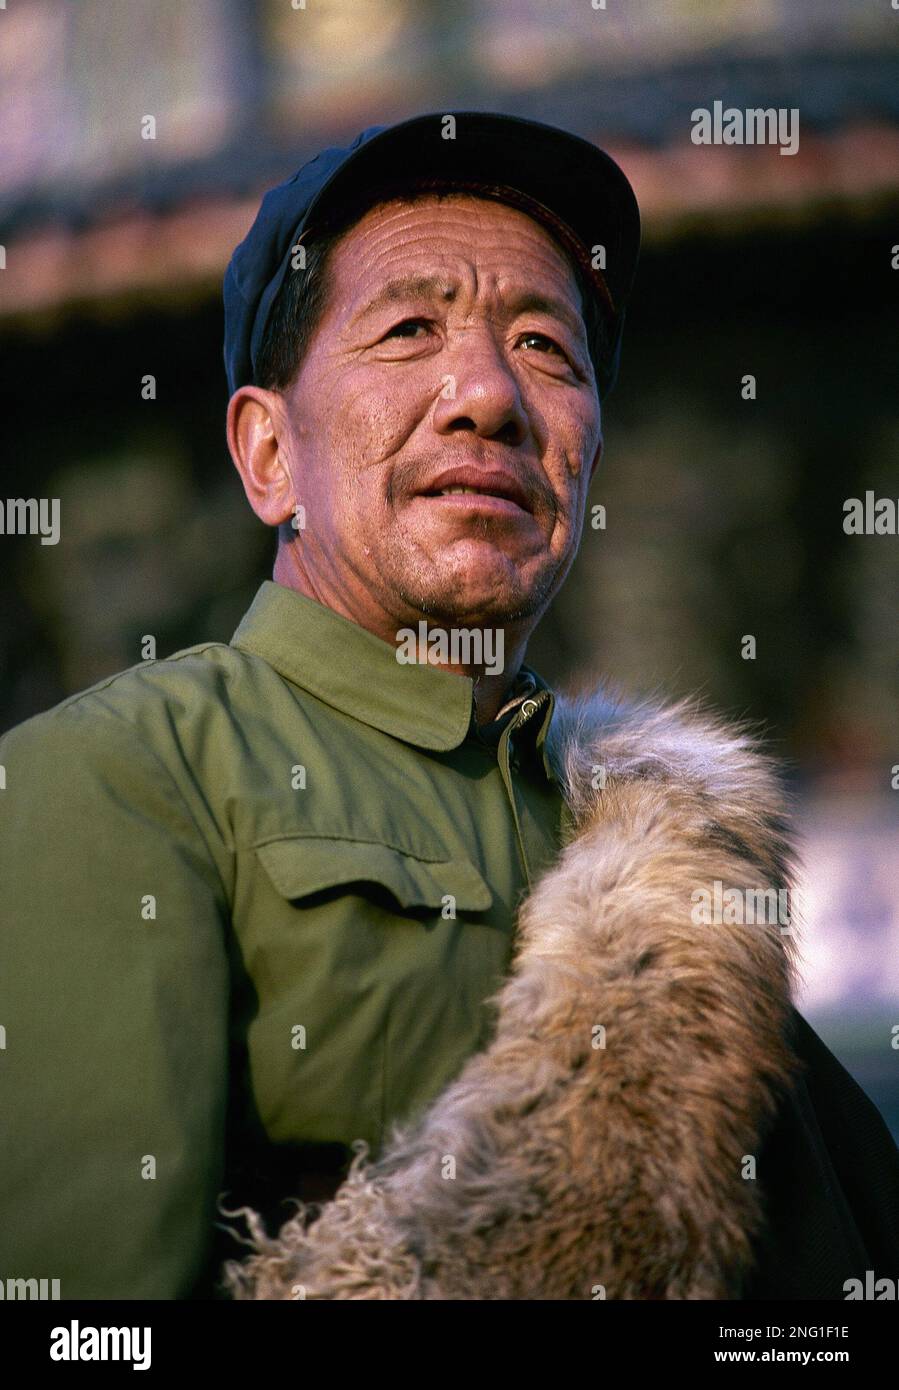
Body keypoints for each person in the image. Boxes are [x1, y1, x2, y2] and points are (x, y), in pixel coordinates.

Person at [1, 111, 896, 1300]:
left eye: (545, 348)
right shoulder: (121, 774)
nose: (485, 394)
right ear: (267, 455)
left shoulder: (661, 844)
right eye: (409, 327)